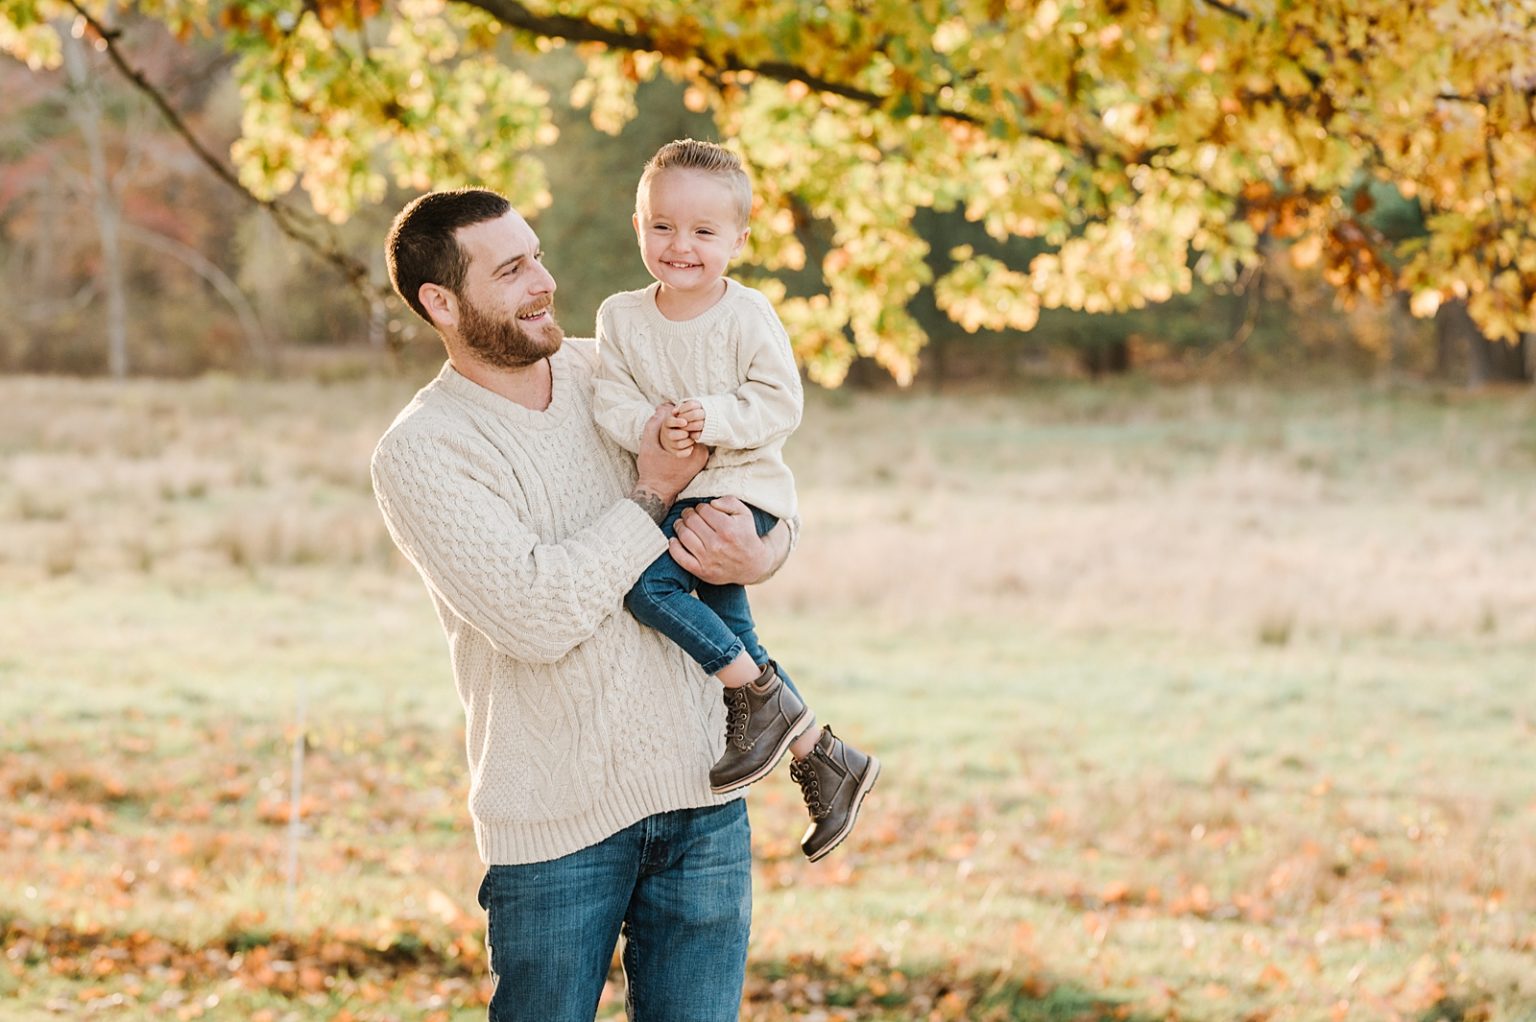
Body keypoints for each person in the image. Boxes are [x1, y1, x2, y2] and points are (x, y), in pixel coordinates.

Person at [372, 187, 790, 1021]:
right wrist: (649, 495)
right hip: (557, 827)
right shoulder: (421, 452)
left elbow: (751, 473)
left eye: (537, 255)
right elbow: (537, 616)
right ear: (441, 302)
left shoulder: (614, 374)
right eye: (514, 269)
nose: (544, 281)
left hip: (703, 796)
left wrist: (769, 549)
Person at [592, 139, 879, 862]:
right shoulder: (621, 318)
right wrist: (651, 426)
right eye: (662, 225)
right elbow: (611, 399)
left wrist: (710, 418)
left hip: (741, 491)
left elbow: (779, 403)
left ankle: (762, 703)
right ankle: (825, 757)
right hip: (682, 490)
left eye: (702, 231)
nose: (679, 245)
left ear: (738, 241)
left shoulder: (747, 315)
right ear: (638, 225)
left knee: (646, 584)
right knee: (733, 634)